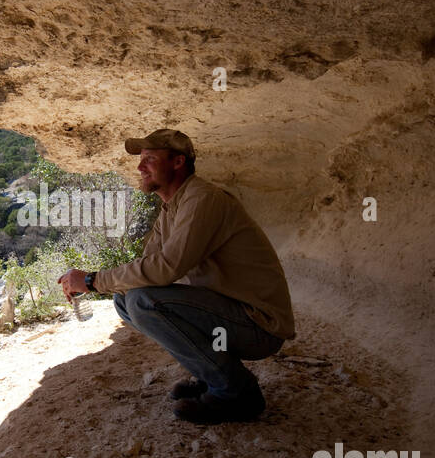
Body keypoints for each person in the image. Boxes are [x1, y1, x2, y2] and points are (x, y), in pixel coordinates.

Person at [58, 129, 296, 424]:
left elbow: (166, 268)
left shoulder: (203, 199)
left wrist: (93, 281)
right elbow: (147, 265)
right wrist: (100, 284)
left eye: (149, 159)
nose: (140, 167)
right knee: (125, 299)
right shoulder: (172, 208)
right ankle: (213, 374)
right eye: (140, 160)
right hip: (232, 316)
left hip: (260, 325)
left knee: (143, 301)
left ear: (178, 162)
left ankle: (237, 393)